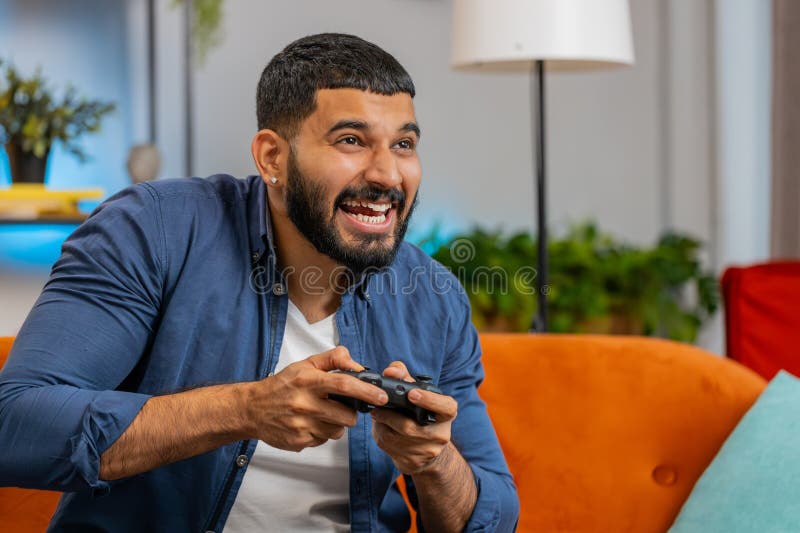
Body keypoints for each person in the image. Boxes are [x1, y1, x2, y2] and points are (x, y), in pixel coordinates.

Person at [0, 33, 519, 532]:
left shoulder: (434, 297)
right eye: (351, 140)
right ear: (273, 157)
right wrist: (246, 409)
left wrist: (432, 461)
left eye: (403, 144)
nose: (387, 174)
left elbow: (491, 516)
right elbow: (15, 426)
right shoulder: (152, 230)